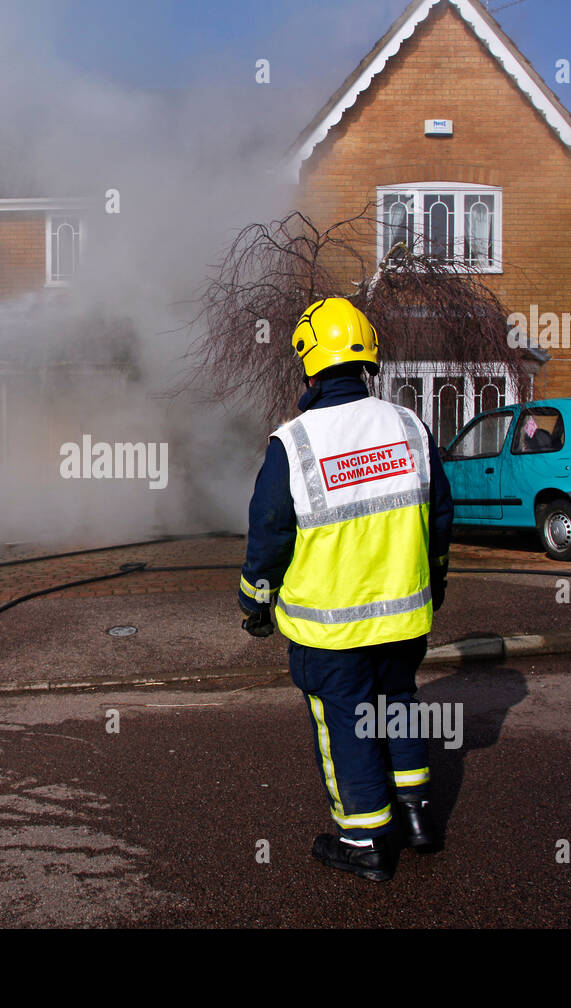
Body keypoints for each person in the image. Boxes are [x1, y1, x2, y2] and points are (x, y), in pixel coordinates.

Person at [238, 298, 453, 882]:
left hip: (331, 631)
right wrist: (433, 583)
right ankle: (416, 817)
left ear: (309, 364)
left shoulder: (295, 443)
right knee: (398, 707)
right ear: (368, 359)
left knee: (349, 727)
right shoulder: (410, 425)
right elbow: (440, 513)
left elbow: (270, 535)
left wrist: (255, 602)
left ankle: (365, 844)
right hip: (405, 618)